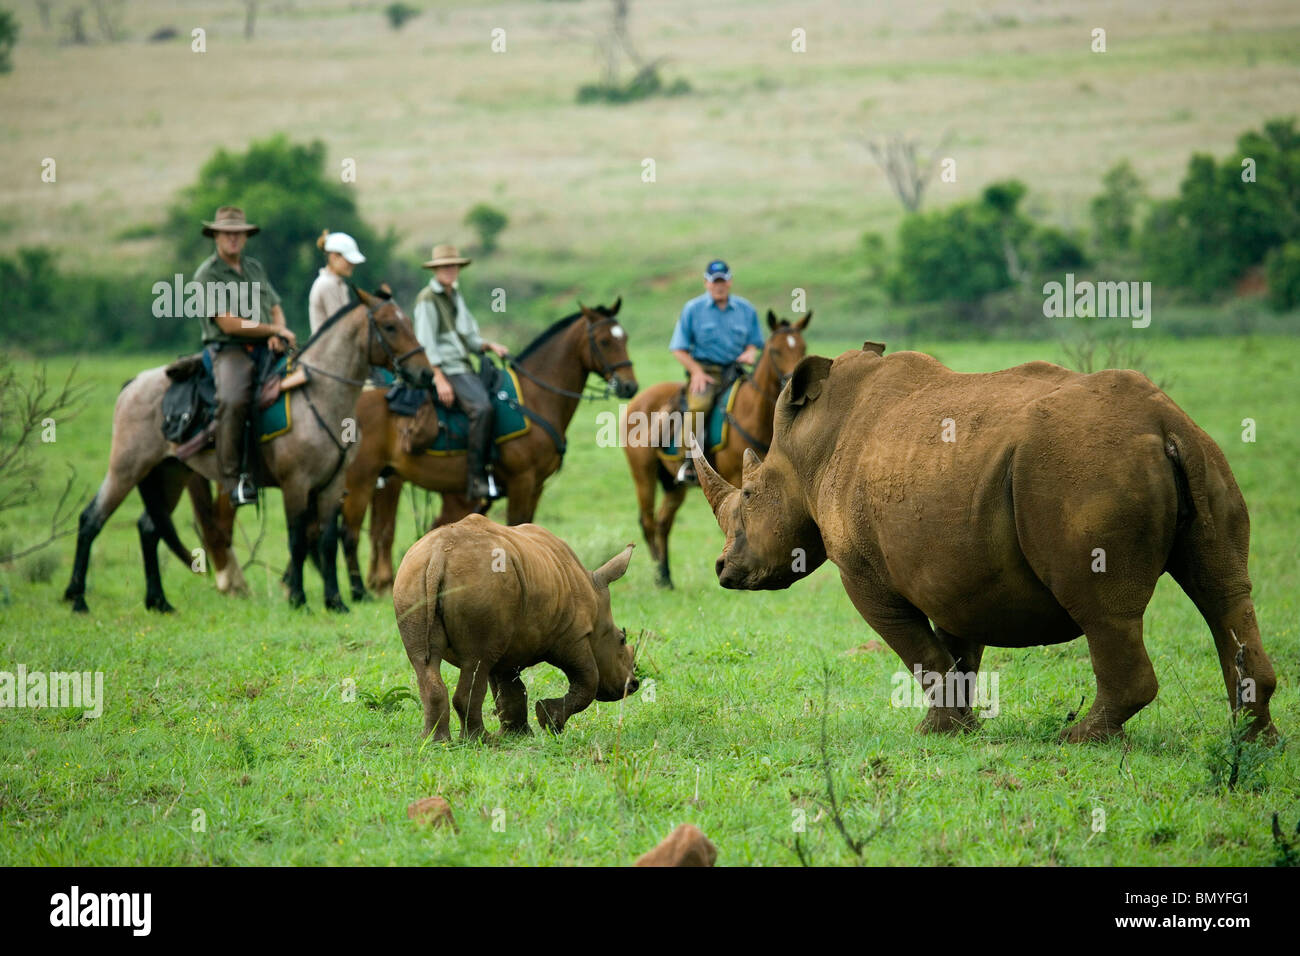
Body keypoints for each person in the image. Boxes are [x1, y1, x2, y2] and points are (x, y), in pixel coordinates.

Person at [192, 206, 296, 507]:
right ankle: (232, 479)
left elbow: (274, 304)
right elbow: (227, 322)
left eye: (238, 234)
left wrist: (279, 331)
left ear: (245, 237)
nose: (233, 239)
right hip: (230, 350)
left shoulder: (254, 268)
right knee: (234, 400)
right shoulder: (207, 275)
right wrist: (271, 330)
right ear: (216, 235)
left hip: (268, 345)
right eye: (227, 233)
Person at [411, 243, 510, 500]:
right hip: (448, 368)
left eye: (453, 266)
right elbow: (425, 342)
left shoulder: (454, 294)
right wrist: (439, 377)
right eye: (445, 266)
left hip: (464, 365)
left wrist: (487, 345)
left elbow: (467, 334)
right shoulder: (427, 299)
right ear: (435, 270)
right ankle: (476, 478)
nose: (450, 270)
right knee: (482, 408)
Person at [668, 258, 764, 483]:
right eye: (714, 282)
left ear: (730, 282)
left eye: (723, 281)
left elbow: (754, 341)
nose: (719, 286)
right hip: (706, 373)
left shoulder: (746, 309)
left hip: (737, 372)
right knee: (698, 406)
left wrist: (750, 352)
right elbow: (678, 349)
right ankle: (690, 463)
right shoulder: (693, 309)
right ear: (706, 283)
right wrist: (696, 372)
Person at [308, 230, 365, 333]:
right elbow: (341, 325)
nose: (352, 264)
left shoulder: (338, 284)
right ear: (334, 257)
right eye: (348, 260)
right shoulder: (327, 284)